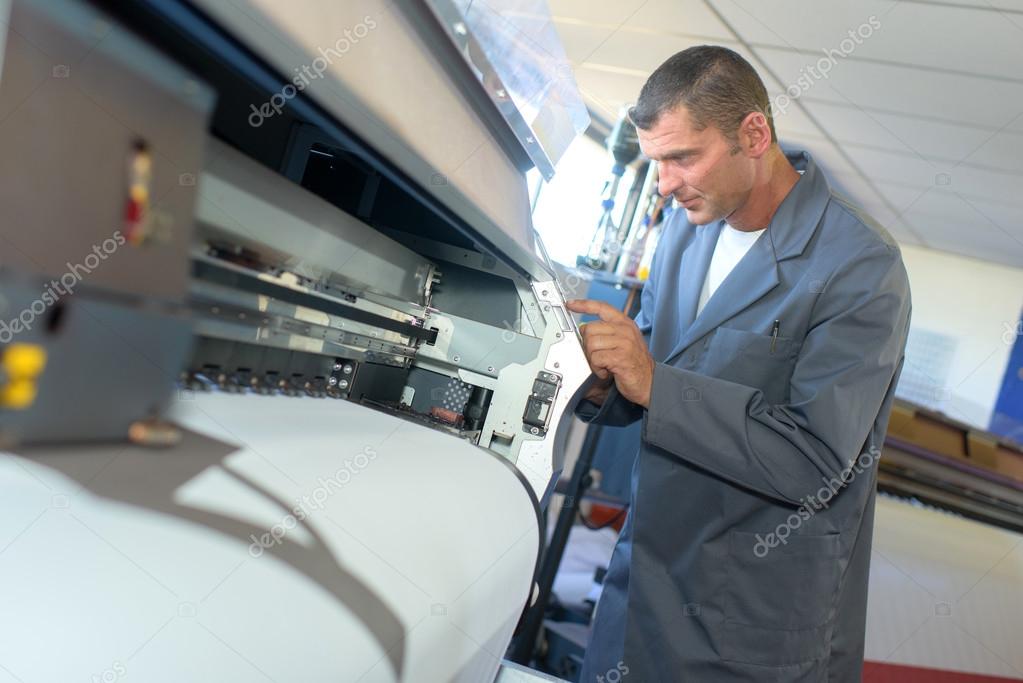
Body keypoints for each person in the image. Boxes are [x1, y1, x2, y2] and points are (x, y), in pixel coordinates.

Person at [565, 45, 911, 681]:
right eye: (656, 162)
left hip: (748, 617)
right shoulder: (685, 228)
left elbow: (813, 461)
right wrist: (596, 373)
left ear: (753, 134)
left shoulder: (860, 266)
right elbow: (662, 355)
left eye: (682, 157)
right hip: (643, 580)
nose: (664, 185)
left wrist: (655, 384)